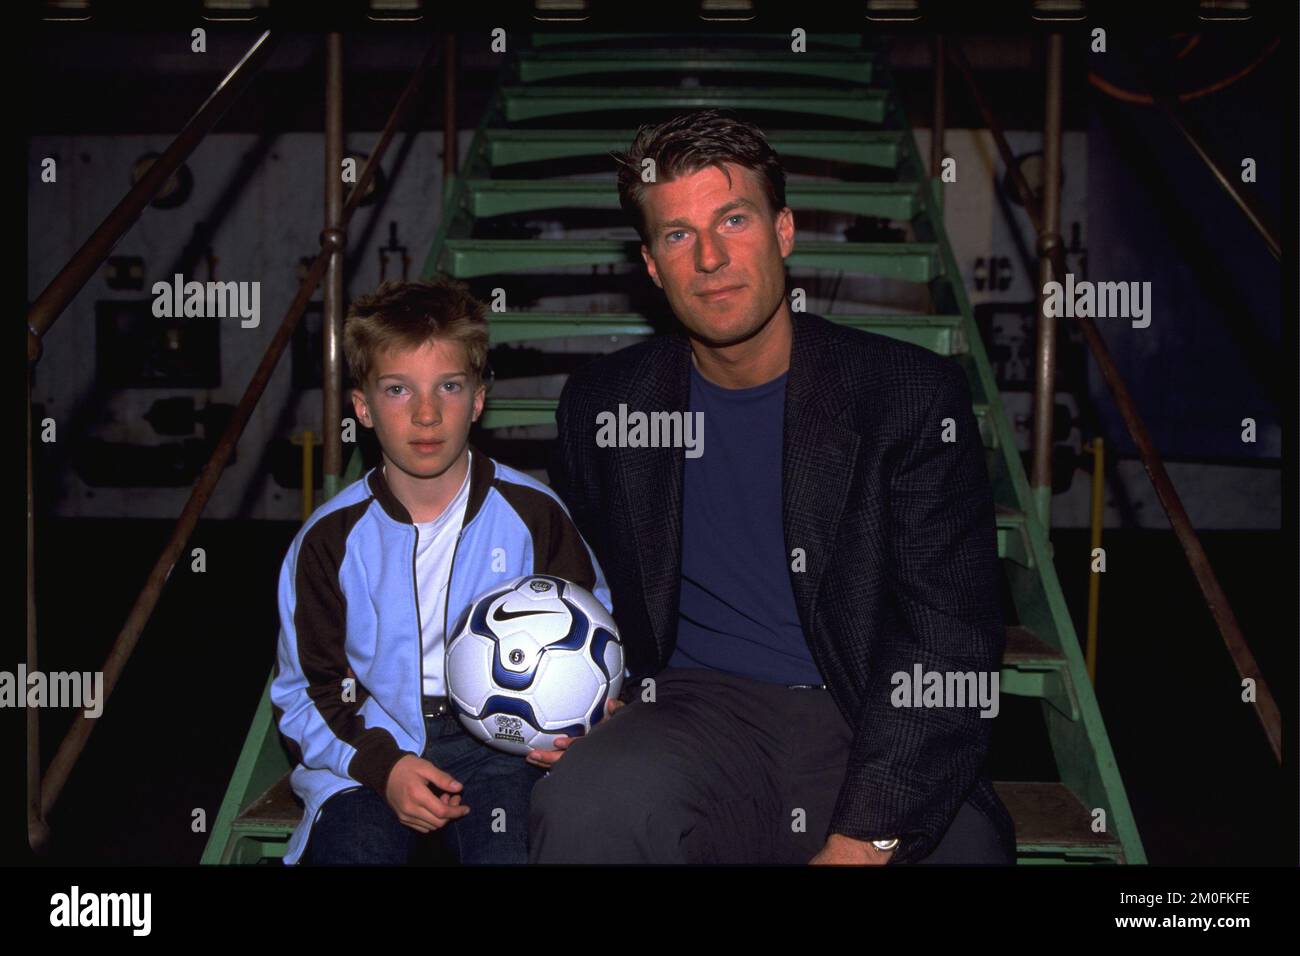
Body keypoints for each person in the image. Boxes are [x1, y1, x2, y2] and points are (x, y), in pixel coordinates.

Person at [527, 109, 1016, 865]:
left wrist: (862, 843)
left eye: (734, 220)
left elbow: (949, 640)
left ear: (784, 232)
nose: (712, 258)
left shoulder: (909, 397)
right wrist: (589, 689)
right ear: (652, 265)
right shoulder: (604, 406)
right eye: (679, 235)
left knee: (964, 853)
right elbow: (592, 573)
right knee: (583, 808)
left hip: (871, 711)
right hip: (695, 713)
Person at [271, 277, 610, 865]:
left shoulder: (533, 515)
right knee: (352, 851)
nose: (426, 414)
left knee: (515, 851)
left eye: (449, 386)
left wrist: (587, 717)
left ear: (479, 398)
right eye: (398, 390)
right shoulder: (329, 539)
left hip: (507, 742)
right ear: (363, 407)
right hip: (373, 739)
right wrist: (383, 767)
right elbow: (308, 690)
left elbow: (595, 638)